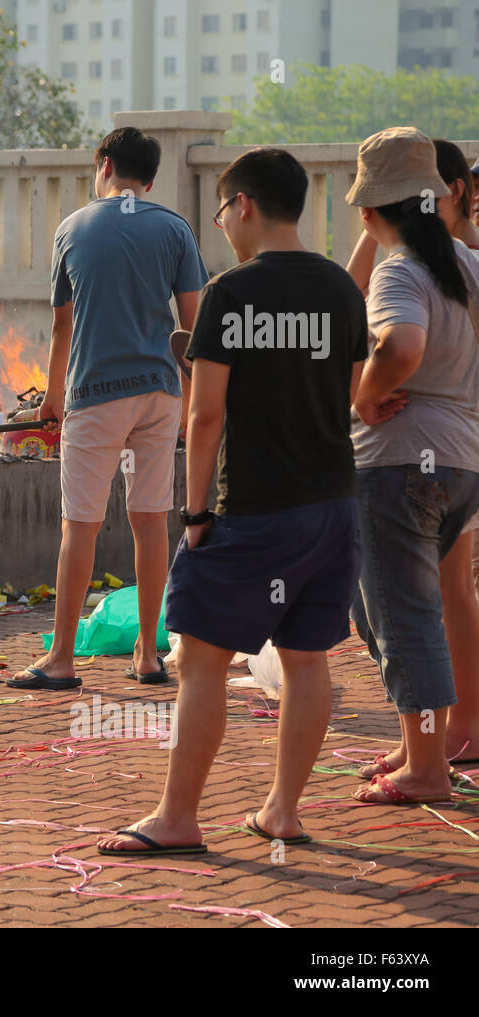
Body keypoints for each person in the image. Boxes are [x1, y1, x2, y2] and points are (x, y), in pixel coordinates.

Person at [95, 148, 367, 856]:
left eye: (221, 211)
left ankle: (178, 817)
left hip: (256, 506)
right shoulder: (342, 288)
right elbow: (352, 395)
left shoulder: (231, 293)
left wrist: (194, 514)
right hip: (334, 501)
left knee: (200, 659)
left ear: (243, 204)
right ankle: (281, 810)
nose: (222, 225)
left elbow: (204, 414)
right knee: (308, 658)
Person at [10, 127, 207, 691]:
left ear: (103, 165)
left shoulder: (72, 229)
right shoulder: (174, 228)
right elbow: (191, 325)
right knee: (150, 523)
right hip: (160, 393)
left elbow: (61, 324)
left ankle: (62, 661)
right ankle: (150, 654)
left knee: (81, 527)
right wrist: (194, 404)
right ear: (149, 179)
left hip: (94, 395)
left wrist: (51, 397)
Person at [345, 128, 479, 805]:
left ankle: (427, 769)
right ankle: (417, 742)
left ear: (370, 213)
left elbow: (400, 346)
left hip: (401, 463)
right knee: (388, 614)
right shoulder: (465, 262)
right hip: (460, 466)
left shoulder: (400, 268)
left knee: (403, 615)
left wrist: (365, 393)